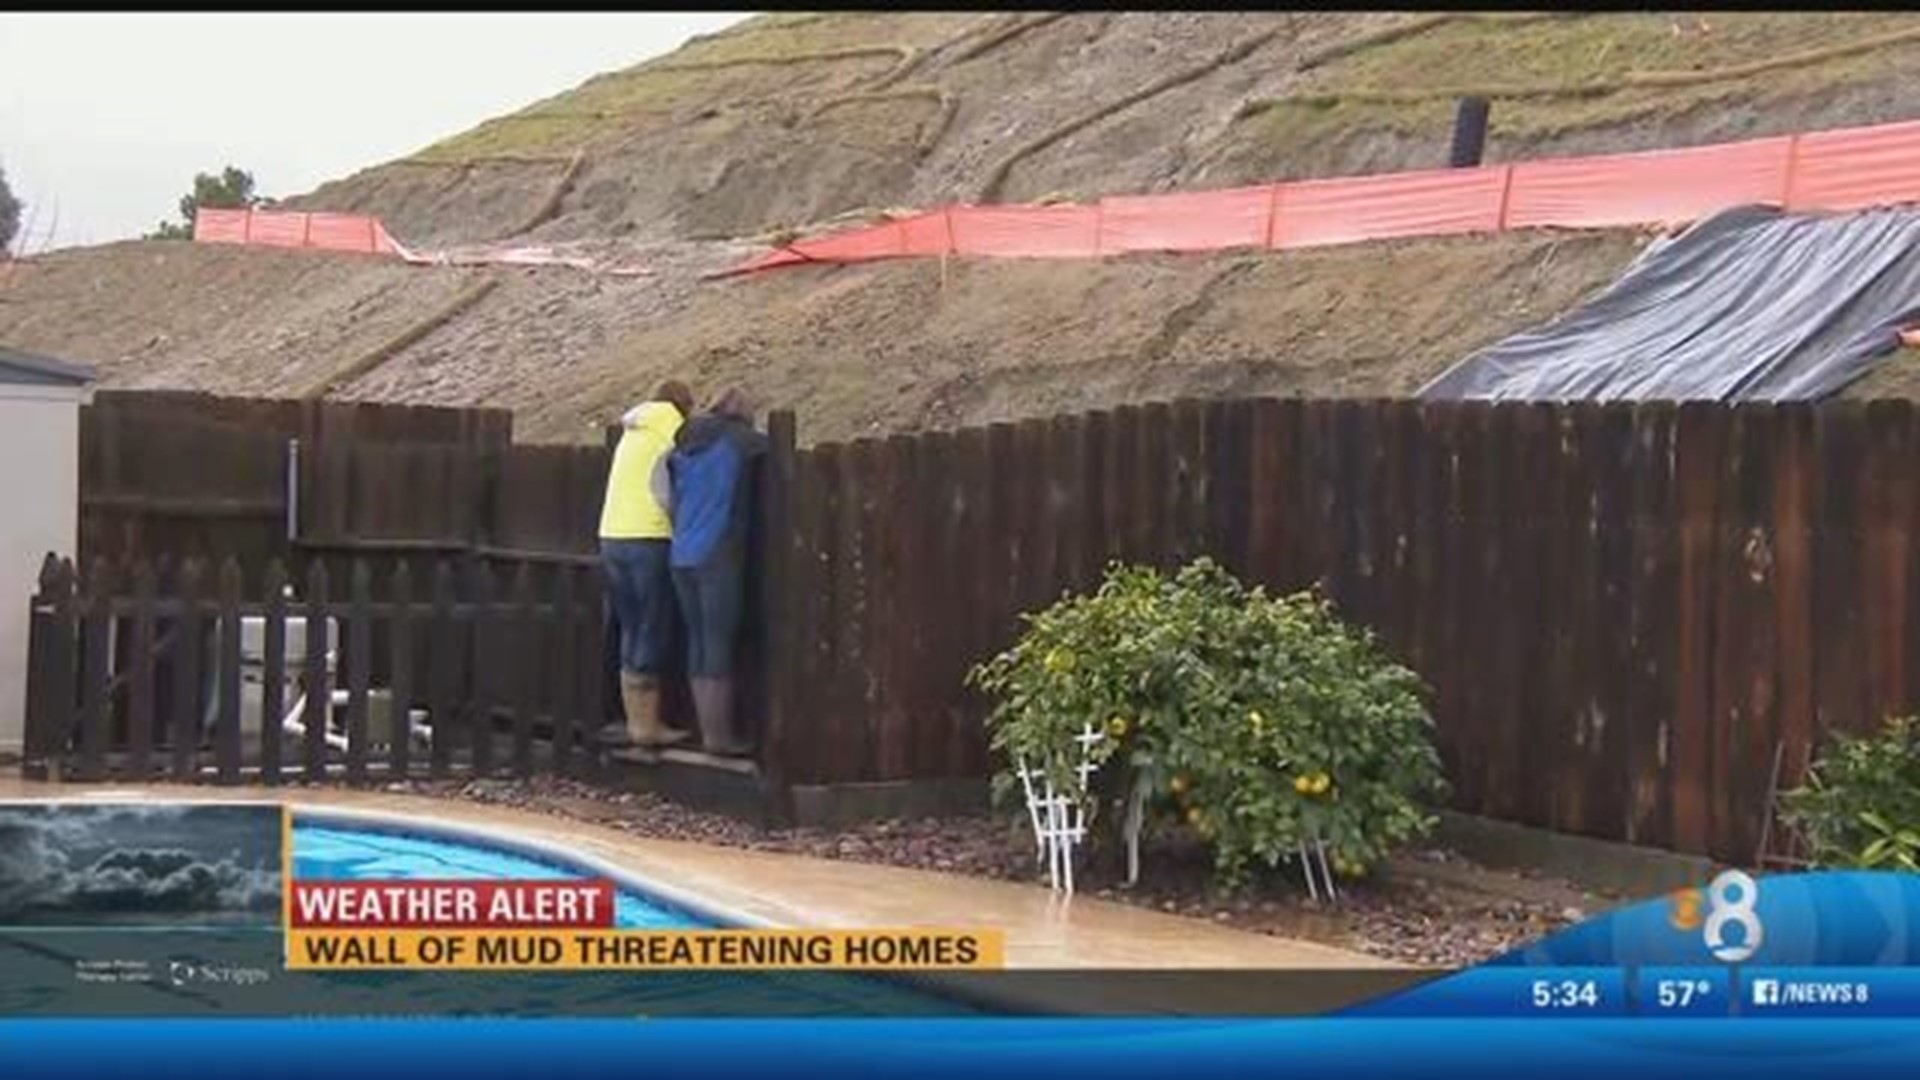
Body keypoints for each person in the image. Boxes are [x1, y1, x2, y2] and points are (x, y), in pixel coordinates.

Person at [666, 385, 768, 756]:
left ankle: (706, 729)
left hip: (680, 554)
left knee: (698, 642)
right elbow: (775, 453)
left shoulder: (682, 443)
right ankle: (718, 738)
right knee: (718, 644)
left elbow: (665, 493)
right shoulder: (742, 442)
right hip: (718, 553)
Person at [596, 379, 696, 749]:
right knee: (652, 625)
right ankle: (646, 727)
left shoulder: (633, 431)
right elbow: (668, 486)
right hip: (648, 536)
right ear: (684, 406)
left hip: (611, 534)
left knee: (631, 625)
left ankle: (635, 720)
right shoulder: (673, 428)